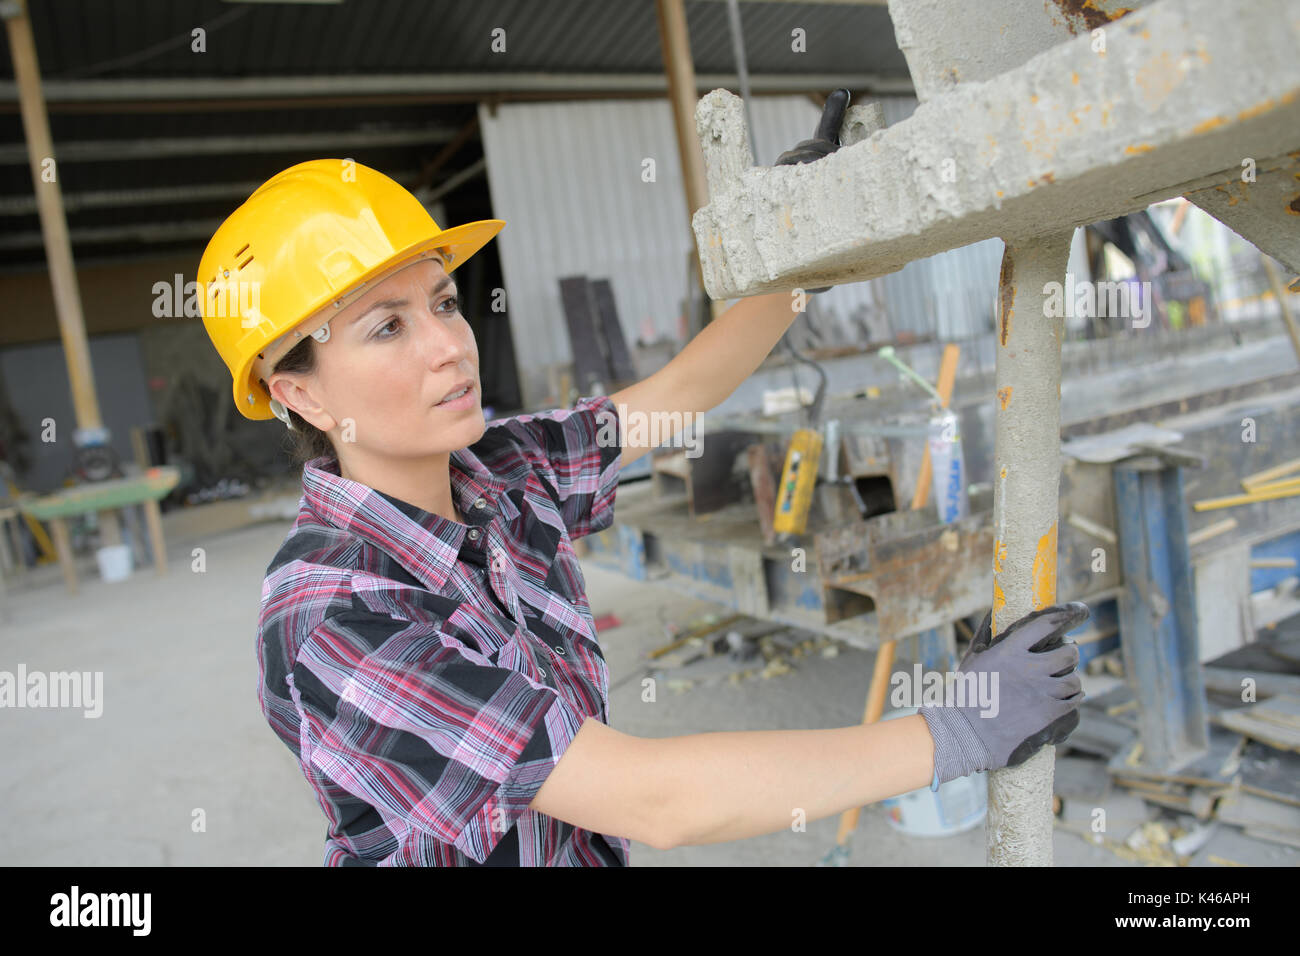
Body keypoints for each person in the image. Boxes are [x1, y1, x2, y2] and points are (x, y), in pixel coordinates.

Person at [199, 116, 1086, 866]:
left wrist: (798, 256)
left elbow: (672, 402)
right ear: (300, 392)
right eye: (386, 327)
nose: (447, 346)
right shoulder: (332, 619)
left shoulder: (500, 470)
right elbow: (654, 801)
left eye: (443, 302)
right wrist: (955, 733)